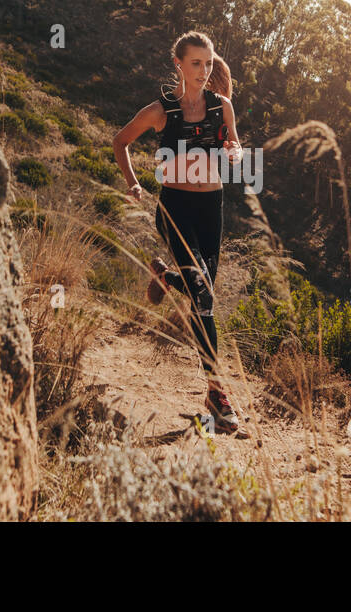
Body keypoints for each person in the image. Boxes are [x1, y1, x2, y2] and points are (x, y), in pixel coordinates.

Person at [112, 31, 245, 434]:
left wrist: (234, 153)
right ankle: (217, 393)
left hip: (211, 209)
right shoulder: (161, 111)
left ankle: (166, 277)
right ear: (179, 65)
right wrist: (133, 183)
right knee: (203, 293)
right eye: (195, 64)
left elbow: (236, 144)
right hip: (174, 209)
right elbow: (120, 142)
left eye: (208, 63)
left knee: (201, 291)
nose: (204, 71)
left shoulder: (223, 106)